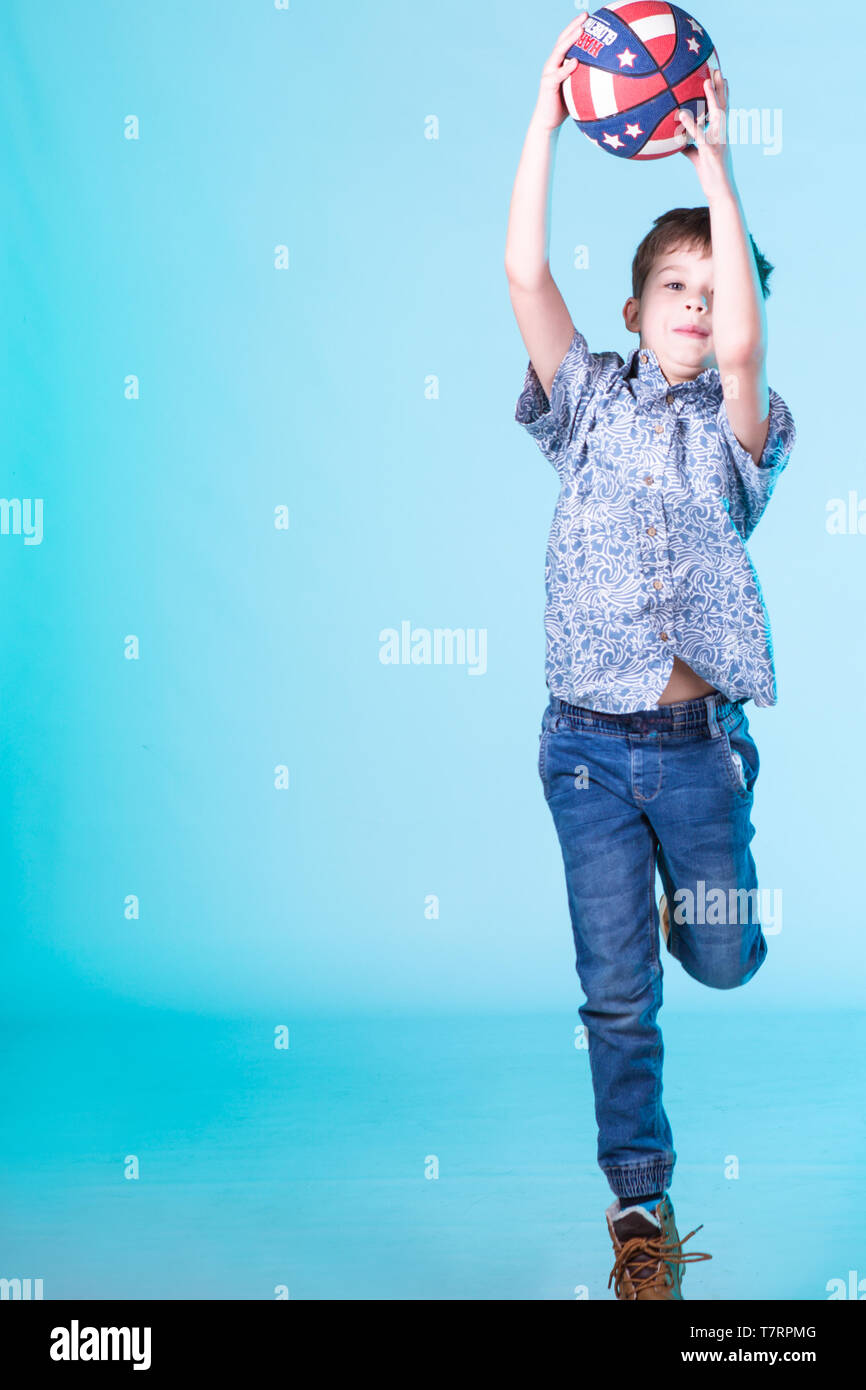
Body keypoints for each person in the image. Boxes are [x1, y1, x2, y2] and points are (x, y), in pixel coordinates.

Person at [504, 13, 797, 1300]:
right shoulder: (586, 405)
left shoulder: (742, 429)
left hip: (695, 752)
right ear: (633, 310)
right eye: (674, 289)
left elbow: (741, 338)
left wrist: (712, 172)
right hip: (581, 751)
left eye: (716, 291)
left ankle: (711, 881)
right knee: (615, 994)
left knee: (722, 960)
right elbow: (521, 275)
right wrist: (546, 119)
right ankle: (640, 1207)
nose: (699, 307)